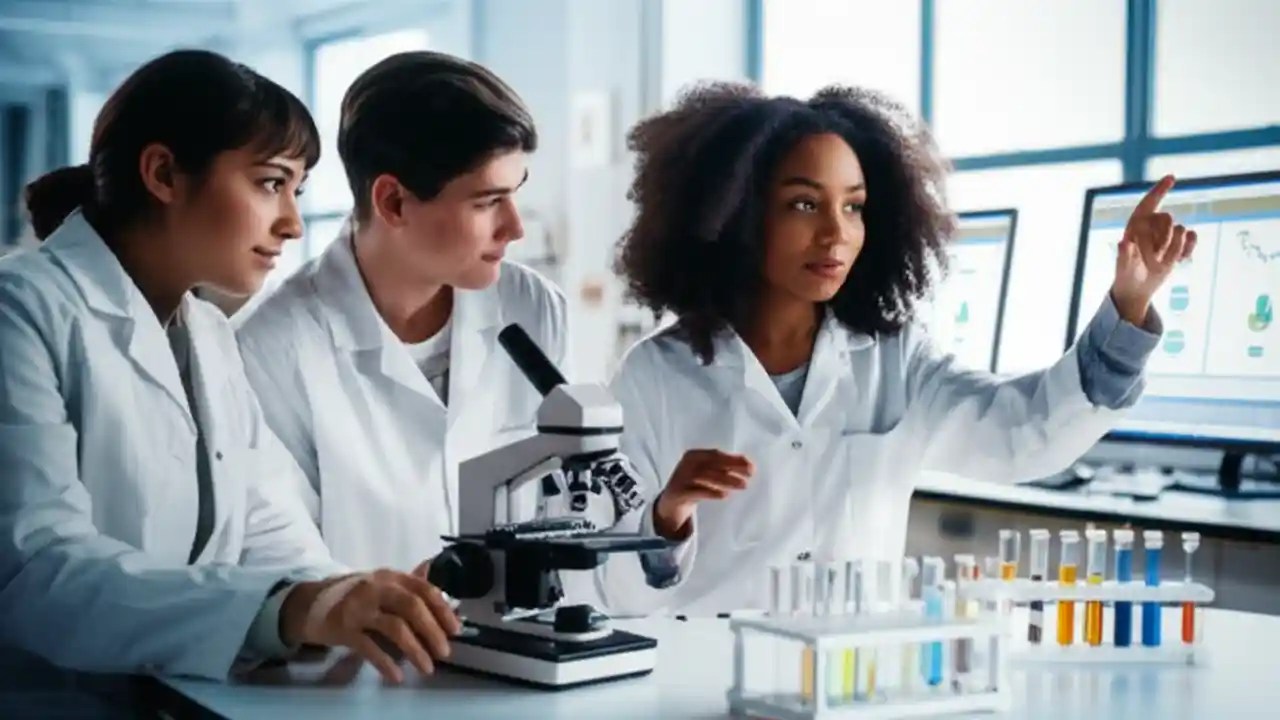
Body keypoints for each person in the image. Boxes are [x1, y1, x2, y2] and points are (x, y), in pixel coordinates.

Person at [599, 83, 1195, 616]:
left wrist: (1129, 304)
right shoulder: (655, 375)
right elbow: (614, 592)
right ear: (738, 216)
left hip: (849, 682)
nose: (836, 233)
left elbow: (1028, 431)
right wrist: (667, 514)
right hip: (705, 686)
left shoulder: (894, 358)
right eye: (805, 204)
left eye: (853, 206)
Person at [0, 49, 460, 686]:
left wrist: (344, 597)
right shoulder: (20, 313)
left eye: (297, 191)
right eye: (271, 183)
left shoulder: (208, 332)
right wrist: (289, 608)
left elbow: (262, 518)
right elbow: (35, 571)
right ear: (164, 174)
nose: (294, 224)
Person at [235, 52, 570, 574]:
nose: (515, 228)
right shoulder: (270, 347)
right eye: (487, 202)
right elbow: (280, 564)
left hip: (515, 643)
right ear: (392, 202)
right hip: (362, 657)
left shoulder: (533, 307)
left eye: (515, 195)